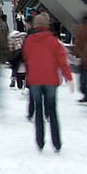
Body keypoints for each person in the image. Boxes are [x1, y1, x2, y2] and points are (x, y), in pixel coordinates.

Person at [22, 12, 73, 152]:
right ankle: (56, 143)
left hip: (35, 80)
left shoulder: (28, 41)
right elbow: (62, 61)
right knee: (52, 111)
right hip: (50, 80)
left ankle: (40, 142)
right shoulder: (53, 41)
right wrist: (68, 77)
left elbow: (26, 58)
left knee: (38, 110)